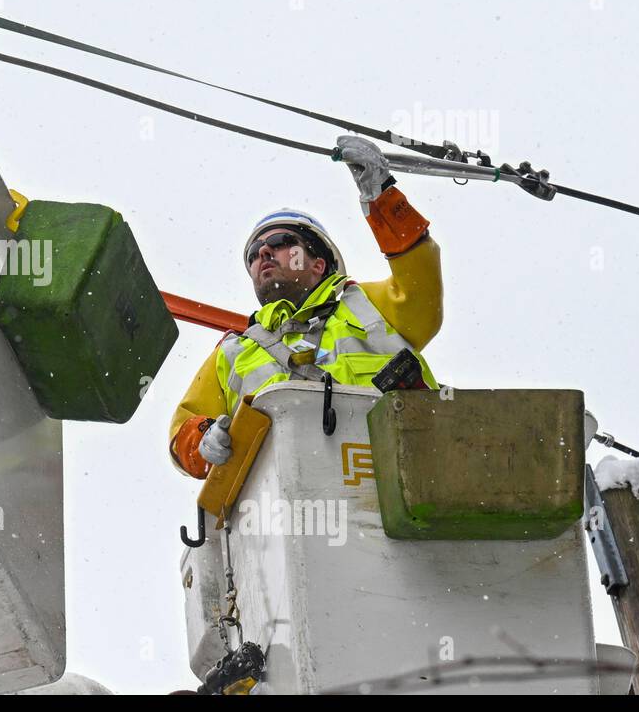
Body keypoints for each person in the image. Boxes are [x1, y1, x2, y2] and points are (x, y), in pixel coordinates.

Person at [168, 135, 444, 478]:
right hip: (286, 514)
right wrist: (201, 441)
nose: (263, 254)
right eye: (254, 254)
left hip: (401, 490)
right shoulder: (233, 352)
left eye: (280, 243)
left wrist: (384, 199)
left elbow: (422, 285)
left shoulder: (370, 306)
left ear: (319, 264)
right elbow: (183, 435)